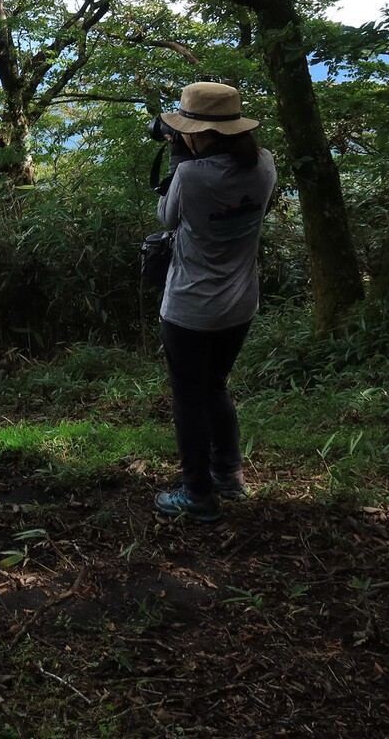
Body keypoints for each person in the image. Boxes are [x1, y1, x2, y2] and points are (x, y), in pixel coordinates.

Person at [151, 82, 277, 523]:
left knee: (189, 398)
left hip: (189, 307)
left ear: (197, 132)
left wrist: (178, 158)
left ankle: (197, 494)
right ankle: (228, 474)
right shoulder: (264, 164)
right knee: (216, 386)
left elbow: (166, 216)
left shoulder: (190, 174)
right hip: (240, 304)